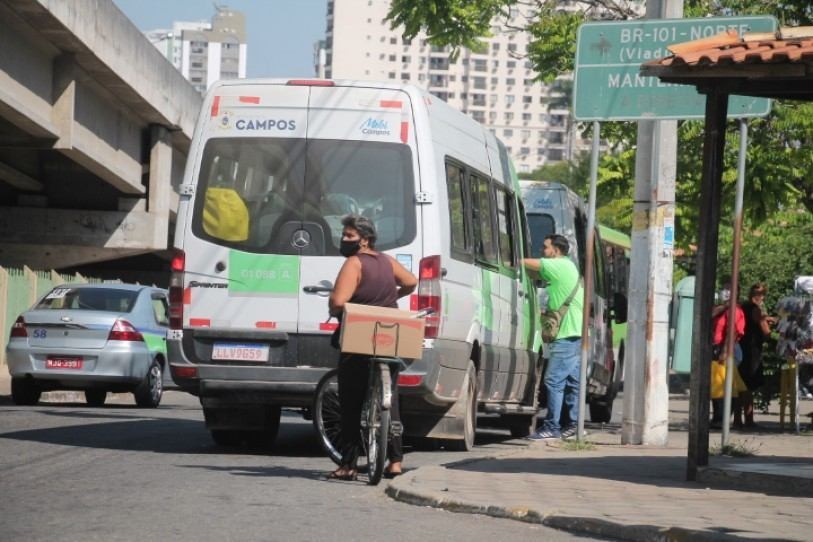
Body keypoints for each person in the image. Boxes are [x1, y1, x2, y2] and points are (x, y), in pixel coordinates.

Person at [326, 215, 417, 480]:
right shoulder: (387, 261)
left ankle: (349, 464)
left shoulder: (354, 263)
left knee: (351, 401)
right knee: (393, 396)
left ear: (365, 240)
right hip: (391, 329)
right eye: (344, 235)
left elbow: (338, 301)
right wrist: (391, 298)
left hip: (361, 330)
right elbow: (411, 282)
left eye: (350, 236)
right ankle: (396, 461)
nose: (344, 240)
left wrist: (336, 306)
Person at [522, 234, 584, 440]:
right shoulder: (567, 267)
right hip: (574, 332)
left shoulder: (559, 265)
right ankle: (573, 425)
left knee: (553, 381)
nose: (542, 250)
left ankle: (552, 427)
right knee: (571, 382)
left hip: (566, 334)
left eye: (545, 247)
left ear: (556, 251)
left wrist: (508, 258)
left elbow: (525, 263)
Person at [734, 283, 775, 428]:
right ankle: (749, 420)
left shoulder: (743, 306)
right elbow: (766, 332)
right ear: (760, 296)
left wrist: (765, 318)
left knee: (739, 386)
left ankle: (737, 420)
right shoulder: (756, 309)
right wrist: (768, 326)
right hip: (752, 351)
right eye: (762, 295)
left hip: (740, 348)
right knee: (748, 386)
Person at [709, 281, 745, 429]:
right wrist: (724, 305)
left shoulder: (735, 311)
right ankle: (717, 417)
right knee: (716, 385)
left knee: (726, 386)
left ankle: (722, 419)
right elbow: (708, 315)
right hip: (716, 348)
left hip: (728, 349)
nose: (726, 292)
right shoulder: (722, 308)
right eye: (724, 289)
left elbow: (733, 332)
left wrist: (725, 351)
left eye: (730, 289)